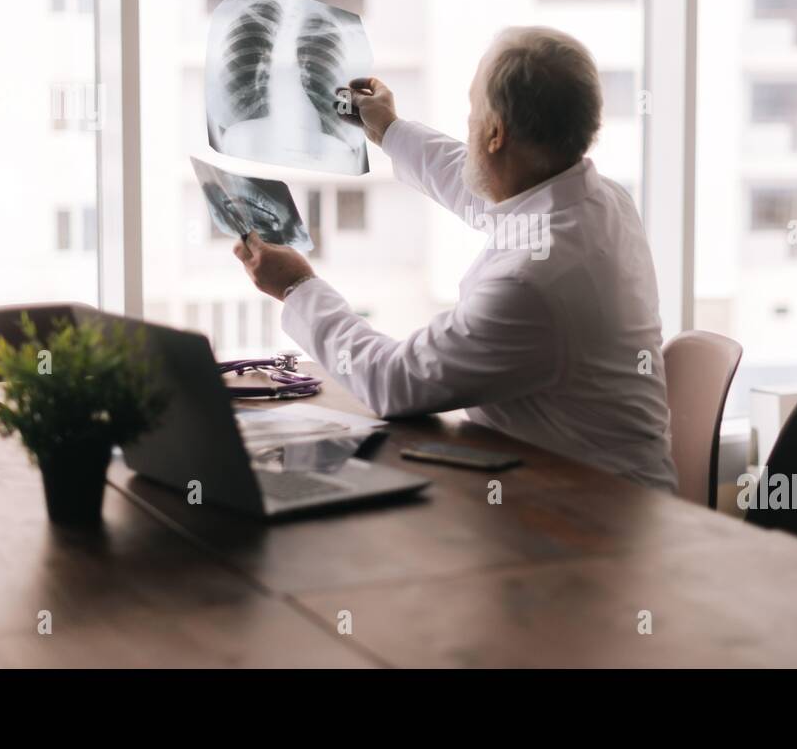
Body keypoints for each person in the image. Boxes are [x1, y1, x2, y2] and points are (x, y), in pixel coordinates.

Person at [234, 26, 677, 491]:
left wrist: (298, 288)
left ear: (495, 133)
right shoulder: (598, 200)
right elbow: (480, 190)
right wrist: (388, 130)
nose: (467, 129)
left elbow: (393, 382)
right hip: (567, 484)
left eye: (472, 115)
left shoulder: (532, 282)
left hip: (599, 518)